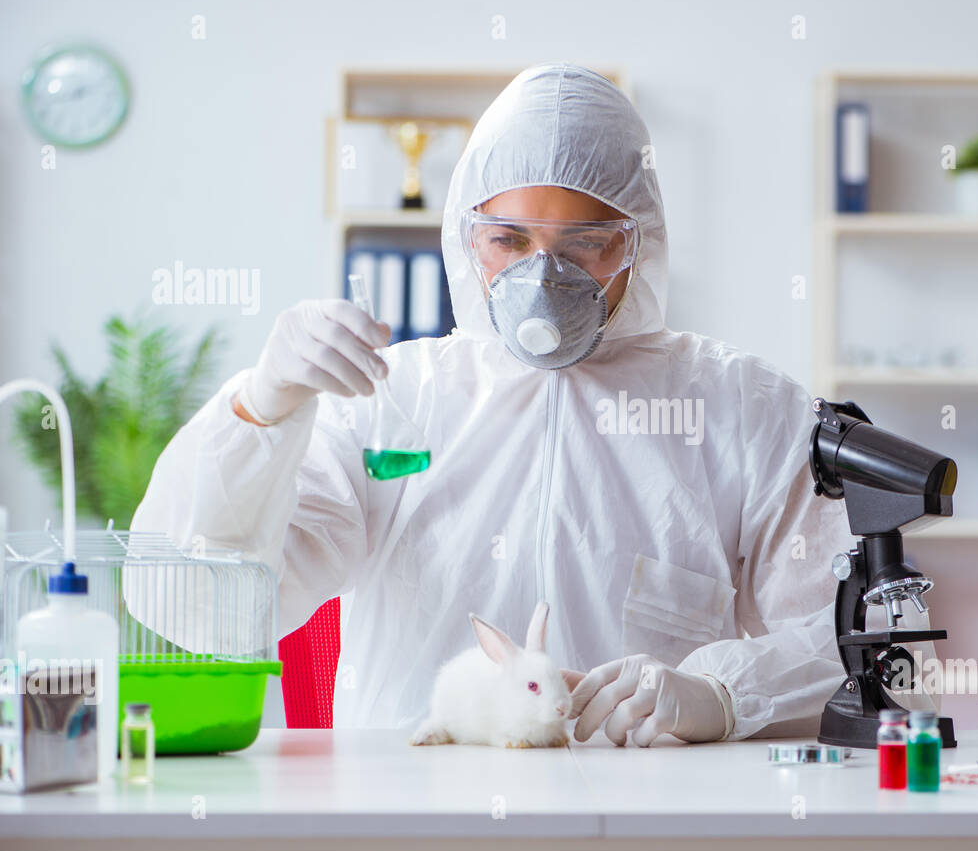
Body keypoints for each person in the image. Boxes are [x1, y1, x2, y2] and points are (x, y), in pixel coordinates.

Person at [133, 63, 880, 746]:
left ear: (639, 243)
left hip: (645, 816)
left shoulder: (739, 407)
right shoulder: (390, 399)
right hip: (414, 815)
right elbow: (205, 607)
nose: (542, 274)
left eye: (586, 242)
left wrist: (727, 691)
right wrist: (262, 410)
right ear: (466, 239)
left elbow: (861, 630)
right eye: (508, 238)